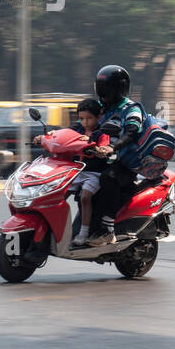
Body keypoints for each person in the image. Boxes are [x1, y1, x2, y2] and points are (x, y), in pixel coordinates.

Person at [87, 64, 145, 246]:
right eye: (100, 87)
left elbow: (131, 132)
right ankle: (84, 227)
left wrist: (114, 147)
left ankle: (107, 230)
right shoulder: (100, 108)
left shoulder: (131, 108)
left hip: (125, 163)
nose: (102, 92)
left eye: (107, 88)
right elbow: (82, 125)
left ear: (118, 89)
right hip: (102, 158)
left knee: (108, 178)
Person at [68, 97, 110, 245]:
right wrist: (46, 136)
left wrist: (100, 149)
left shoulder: (102, 132)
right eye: (81, 118)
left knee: (85, 198)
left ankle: (83, 233)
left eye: (89, 118)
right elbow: (62, 134)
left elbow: (104, 146)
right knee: (57, 193)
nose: (85, 122)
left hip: (94, 173)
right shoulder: (77, 129)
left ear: (98, 117)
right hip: (76, 171)